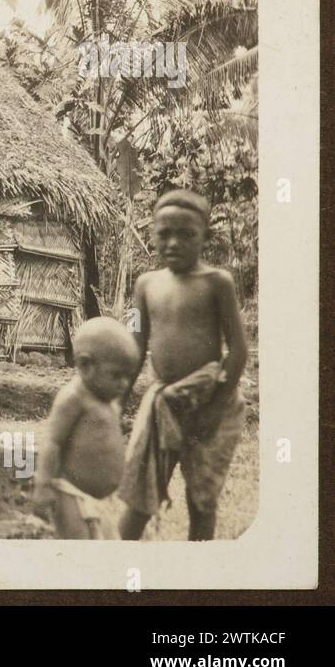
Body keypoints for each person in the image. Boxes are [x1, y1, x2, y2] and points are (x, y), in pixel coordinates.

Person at [117, 189, 249, 541]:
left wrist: (216, 406)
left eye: (186, 234)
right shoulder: (144, 285)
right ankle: (112, 571)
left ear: (205, 236)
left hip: (208, 400)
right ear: (152, 233)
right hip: (163, 404)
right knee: (139, 499)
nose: (173, 243)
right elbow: (134, 341)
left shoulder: (217, 283)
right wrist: (117, 400)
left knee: (201, 500)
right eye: (164, 234)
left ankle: (197, 575)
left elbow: (237, 350)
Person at [33, 317, 140, 539]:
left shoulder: (107, 399)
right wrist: (43, 485)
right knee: (78, 553)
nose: (124, 385)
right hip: (71, 495)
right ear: (85, 365)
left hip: (103, 501)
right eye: (116, 375)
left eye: (128, 378)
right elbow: (52, 441)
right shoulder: (73, 398)